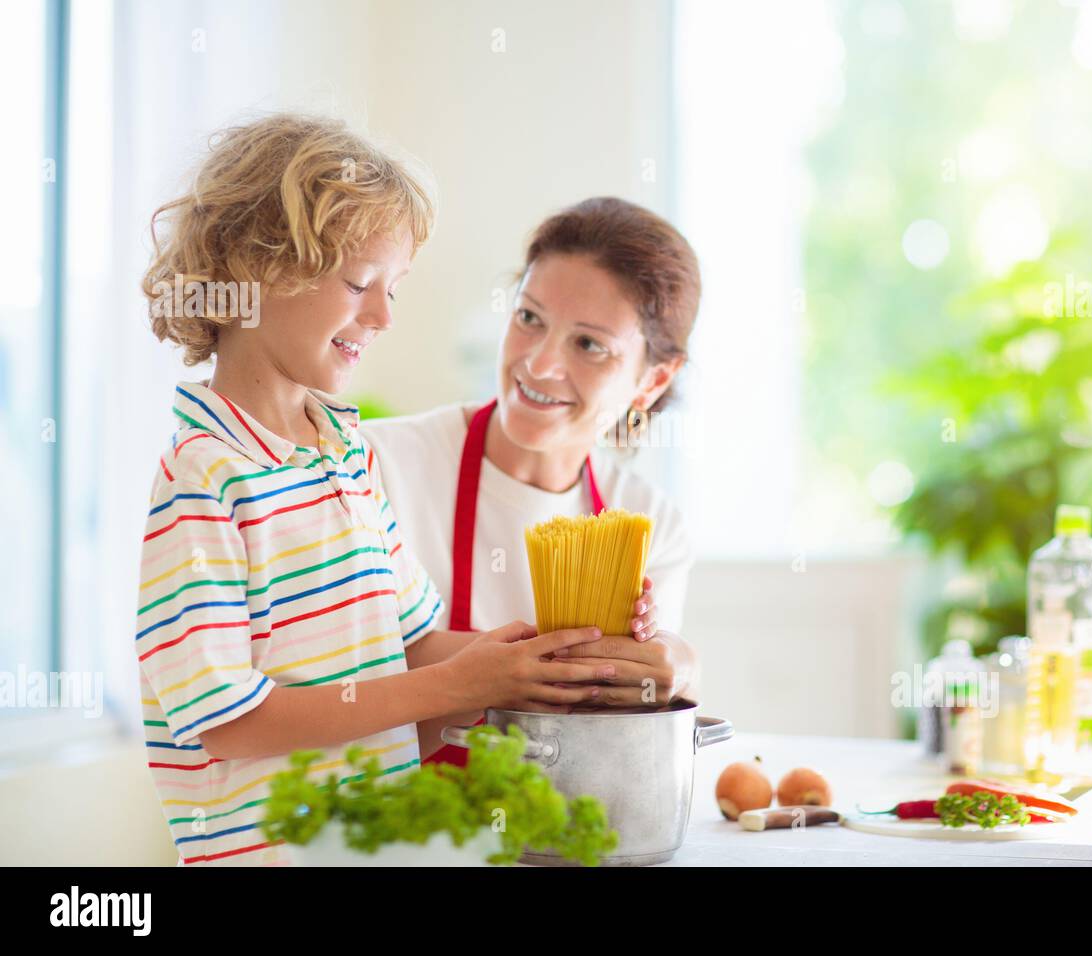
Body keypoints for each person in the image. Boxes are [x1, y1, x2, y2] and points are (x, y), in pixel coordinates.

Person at [135, 115, 613, 865]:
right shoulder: (205, 477)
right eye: (359, 283)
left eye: (394, 288)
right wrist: (452, 686)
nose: (384, 316)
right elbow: (228, 721)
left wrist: (544, 659)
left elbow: (414, 641)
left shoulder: (345, 457)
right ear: (254, 271)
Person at [364, 197, 701, 763]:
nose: (540, 365)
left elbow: (620, 737)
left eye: (589, 344)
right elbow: (349, 684)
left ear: (654, 379)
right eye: (529, 319)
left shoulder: (649, 525)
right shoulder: (380, 465)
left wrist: (680, 667)